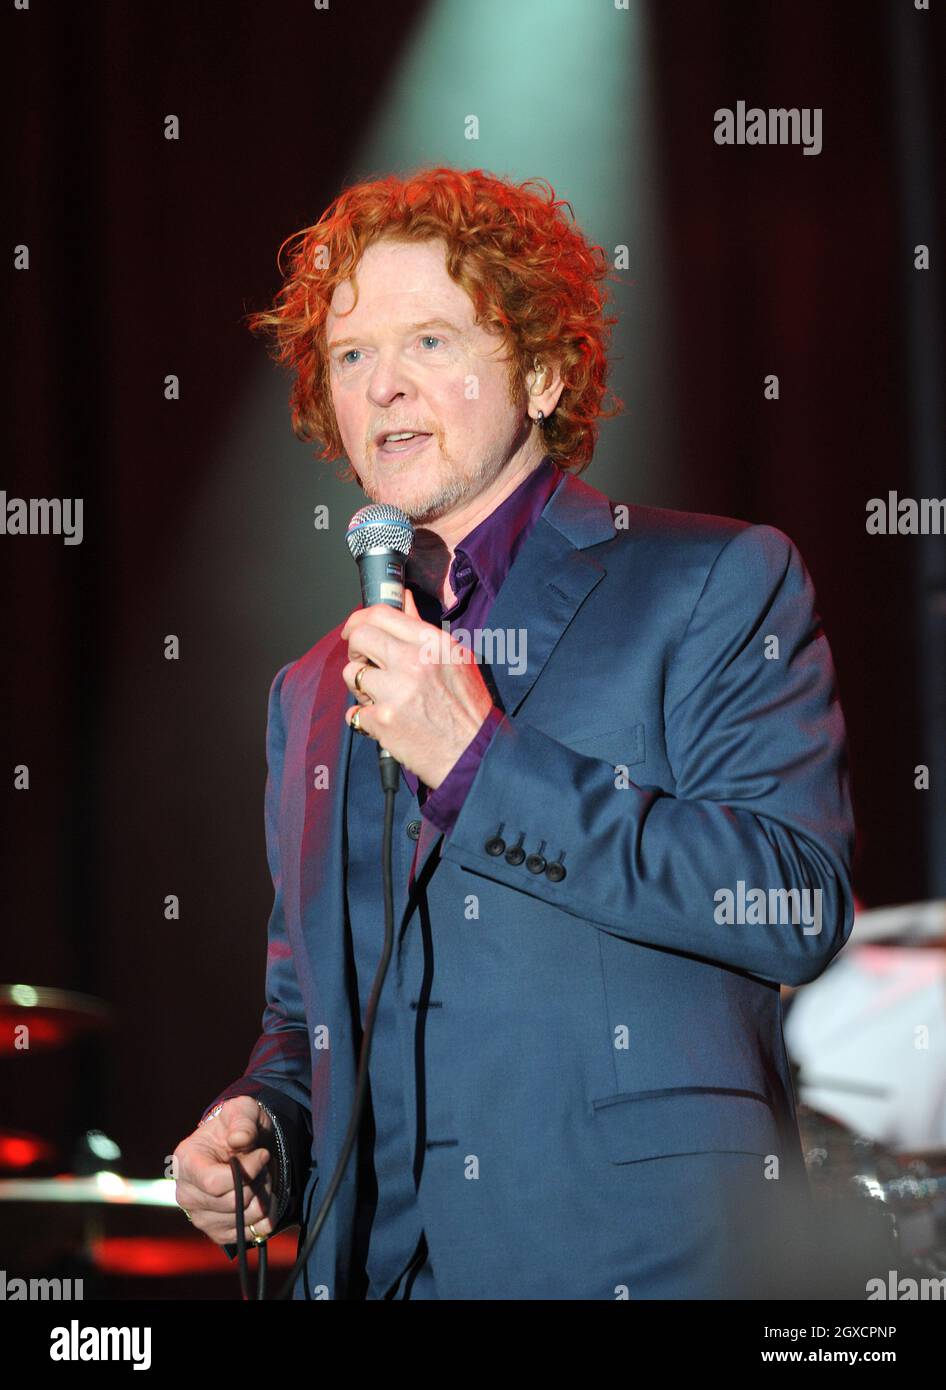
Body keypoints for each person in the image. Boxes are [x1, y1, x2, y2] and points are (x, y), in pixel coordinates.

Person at [172, 166, 856, 1300]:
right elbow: (309, 1014)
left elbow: (796, 902)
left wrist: (481, 763)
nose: (384, 386)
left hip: (639, 1265)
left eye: (430, 342)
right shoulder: (312, 687)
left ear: (540, 371)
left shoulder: (710, 581)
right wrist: (265, 1128)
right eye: (350, 358)